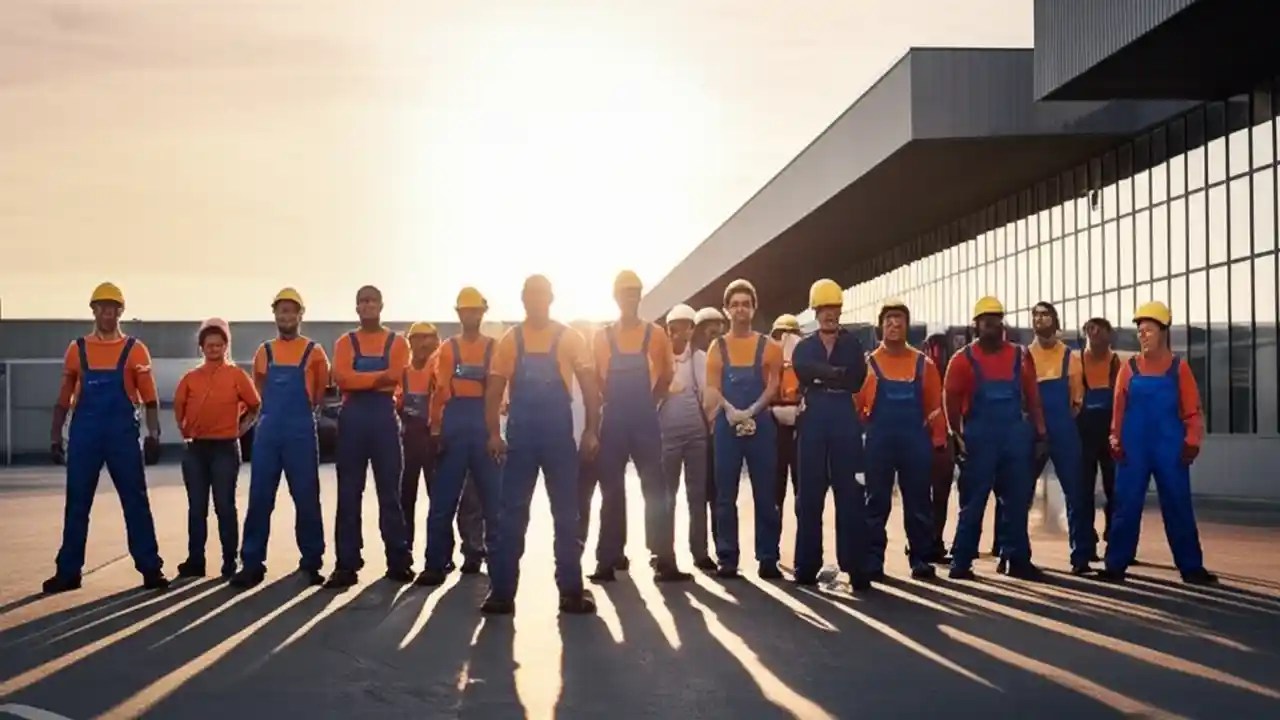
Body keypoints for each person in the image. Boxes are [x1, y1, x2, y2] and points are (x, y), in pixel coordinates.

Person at [483, 275, 602, 614]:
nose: (536, 300)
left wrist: (592, 430)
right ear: (522, 298)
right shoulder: (510, 340)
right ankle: (502, 593)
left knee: (566, 514)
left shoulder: (570, 338)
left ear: (551, 297)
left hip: (558, 439)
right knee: (511, 516)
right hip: (521, 439)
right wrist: (493, 433)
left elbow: (591, 389)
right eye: (530, 295)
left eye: (541, 294)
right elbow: (494, 391)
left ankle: (570, 592)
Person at [43, 282, 169, 593]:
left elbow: (149, 398)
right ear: (94, 310)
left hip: (122, 435)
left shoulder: (135, 349)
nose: (106, 312)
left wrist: (153, 434)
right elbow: (64, 397)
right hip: (85, 433)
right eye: (101, 306)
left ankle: (150, 568)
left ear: (120, 311)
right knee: (77, 502)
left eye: (112, 307)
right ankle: (68, 572)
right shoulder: (77, 349)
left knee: (135, 500)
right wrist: (55, 436)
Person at [1100, 302, 1217, 585]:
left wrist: (1192, 440)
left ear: (1164, 332)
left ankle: (1191, 567)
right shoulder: (1128, 369)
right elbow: (1118, 409)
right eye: (1140, 331)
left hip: (1170, 450)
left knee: (1178, 505)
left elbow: (1192, 410)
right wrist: (1115, 438)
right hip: (1133, 448)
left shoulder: (1180, 369)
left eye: (1149, 330)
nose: (1143, 336)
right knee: (1125, 505)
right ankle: (1115, 565)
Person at [588, 270, 687, 582]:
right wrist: (609, 404)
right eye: (625, 291)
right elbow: (595, 380)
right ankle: (609, 558)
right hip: (614, 419)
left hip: (644, 418)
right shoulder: (602, 337)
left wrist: (651, 402)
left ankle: (664, 558)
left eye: (635, 291)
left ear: (640, 296)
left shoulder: (655, 334)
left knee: (655, 488)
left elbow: (667, 375)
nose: (631, 296)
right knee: (612, 490)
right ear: (616, 296)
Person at [233, 288, 331, 588]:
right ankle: (251, 562)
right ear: (274, 314)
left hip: (300, 430)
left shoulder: (314, 352)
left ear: (301, 315)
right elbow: (258, 391)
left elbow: (317, 395)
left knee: (306, 497)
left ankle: (312, 561)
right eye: (281, 311)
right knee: (260, 497)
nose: (286, 316)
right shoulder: (265, 352)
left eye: (291, 311)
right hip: (268, 431)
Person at [945, 296, 1047, 580]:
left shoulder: (1020, 355)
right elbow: (950, 401)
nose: (992, 326)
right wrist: (954, 435)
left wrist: (1040, 433)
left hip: (1015, 437)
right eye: (986, 322)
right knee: (973, 502)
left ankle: (1017, 559)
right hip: (979, 440)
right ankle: (961, 561)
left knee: (1016, 502)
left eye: (996, 321)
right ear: (976, 325)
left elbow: (1033, 397)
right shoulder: (962, 360)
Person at [327, 285, 413, 589]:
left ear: (381, 305)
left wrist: (360, 380)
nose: (368, 306)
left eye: (372, 301)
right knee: (349, 493)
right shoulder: (344, 342)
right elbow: (341, 378)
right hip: (353, 419)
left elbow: (398, 375)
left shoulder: (397, 342)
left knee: (390, 493)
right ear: (356, 307)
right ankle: (346, 564)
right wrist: (378, 379)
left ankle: (398, 561)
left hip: (383, 420)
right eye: (362, 301)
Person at [417, 289, 503, 585]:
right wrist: (436, 430)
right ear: (458, 314)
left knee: (494, 501)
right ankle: (434, 564)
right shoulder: (448, 348)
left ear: (483, 312)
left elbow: (497, 392)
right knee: (442, 501)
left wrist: (495, 434)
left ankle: (499, 562)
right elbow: (439, 391)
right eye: (466, 311)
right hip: (454, 427)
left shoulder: (495, 348)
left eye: (475, 310)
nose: (471, 315)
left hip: (483, 426)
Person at [857, 300, 947, 580]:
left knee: (919, 501)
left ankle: (920, 557)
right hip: (878, 441)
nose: (894, 325)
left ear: (907, 326)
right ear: (880, 327)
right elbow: (856, 406)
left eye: (899, 319)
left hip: (915, 442)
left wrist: (940, 441)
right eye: (888, 320)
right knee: (876, 501)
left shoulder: (924, 364)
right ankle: (872, 559)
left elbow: (934, 407)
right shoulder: (868, 364)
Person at [791, 279, 869, 588]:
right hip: (815, 417)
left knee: (850, 492)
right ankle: (806, 566)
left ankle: (856, 566)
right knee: (809, 494)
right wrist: (834, 374)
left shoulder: (851, 344)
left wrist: (823, 374)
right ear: (815, 312)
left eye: (834, 309)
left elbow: (856, 380)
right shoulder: (805, 346)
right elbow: (802, 368)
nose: (829, 315)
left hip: (842, 416)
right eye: (824, 309)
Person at [706, 279, 784, 579]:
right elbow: (713, 387)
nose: (740, 309)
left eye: (745, 304)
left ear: (753, 309)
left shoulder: (769, 347)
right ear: (727, 310)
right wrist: (732, 411)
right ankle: (727, 557)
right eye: (734, 304)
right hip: (728, 424)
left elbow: (774, 384)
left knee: (766, 493)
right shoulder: (718, 347)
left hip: (761, 424)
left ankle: (768, 557)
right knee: (725, 495)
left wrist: (751, 411)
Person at [173, 318, 260, 580]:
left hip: (225, 449)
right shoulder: (190, 378)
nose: (214, 349)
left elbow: (255, 405)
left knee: (224, 505)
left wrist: (240, 430)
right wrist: (186, 430)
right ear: (201, 348)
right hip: (196, 450)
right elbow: (179, 409)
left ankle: (229, 560)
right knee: (196, 507)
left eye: (219, 345)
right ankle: (195, 560)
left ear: (226, 347)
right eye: (209, 345)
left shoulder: (236, 376)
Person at [1012, 301, 1091, 574]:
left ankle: (1080, 557)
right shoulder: (1023, 356)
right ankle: (1011, 554)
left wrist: (1062, 422)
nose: (1040, 319)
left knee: (1076, 492)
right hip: (1030, 432)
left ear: (1055, 321)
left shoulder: (1071, 357)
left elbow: (1077, 399)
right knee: (1019, 493)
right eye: (1035, 315)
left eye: (1045, 315)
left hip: (1064, 430)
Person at [659, 304, 716, 571]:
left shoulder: (700, 359)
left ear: (692, 330)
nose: (678, 333)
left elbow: (707, 397)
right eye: (673, 328)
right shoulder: (660, 359)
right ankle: (663, 554)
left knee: (697, 495)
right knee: (665, 497)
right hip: (665, 438)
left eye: (684, 327)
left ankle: (700, 552)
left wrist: (710, 428)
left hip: (696, 436)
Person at [1078, 317, 1120, 557]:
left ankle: (1116, 542)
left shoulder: (1118, 363)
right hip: (1084, 433)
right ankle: (1086, 545)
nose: (1093, 334)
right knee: (1083, 491)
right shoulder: (1075, 362)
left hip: (1111, 432)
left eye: (1098, 329)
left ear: (1109, 334)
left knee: (1115, 490)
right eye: (1089, 330)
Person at [399, 322, 441, 558]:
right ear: (410, 342)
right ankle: (404, 551)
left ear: (436, 341)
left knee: (438, 500)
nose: (423, 343)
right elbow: (395, 401)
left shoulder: (440, 371)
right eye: (418, 338)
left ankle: (440, 555)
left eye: (428, 338)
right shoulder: (402, 372)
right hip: (408, 440)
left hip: (433, 440)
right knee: (405, 497)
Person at [692, 306, 726, 553]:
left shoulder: (726, 359)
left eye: (718, 326)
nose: (714, 332)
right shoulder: (694, 359)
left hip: (720, 433)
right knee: (698, 495)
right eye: (709, 328)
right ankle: (700, 550)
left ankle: (721, 547)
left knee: (719, 494)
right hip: (698, 434)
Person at [922, 333, 955, 562]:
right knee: (931, 497)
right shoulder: (925, 369)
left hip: (941, 441)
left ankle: (930, 541)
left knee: (931, 496)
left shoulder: (925, 368)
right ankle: (930, 541)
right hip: (933, 441)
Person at [769, 314, 803, 518]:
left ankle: (805, 547)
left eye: (790, 333)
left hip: (801, 428)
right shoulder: (769, 363)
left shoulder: (805, 364)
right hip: (774, 430)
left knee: (804, 493)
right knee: (774, 493)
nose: (785, 338)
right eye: (781, 333)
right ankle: (770, 548)